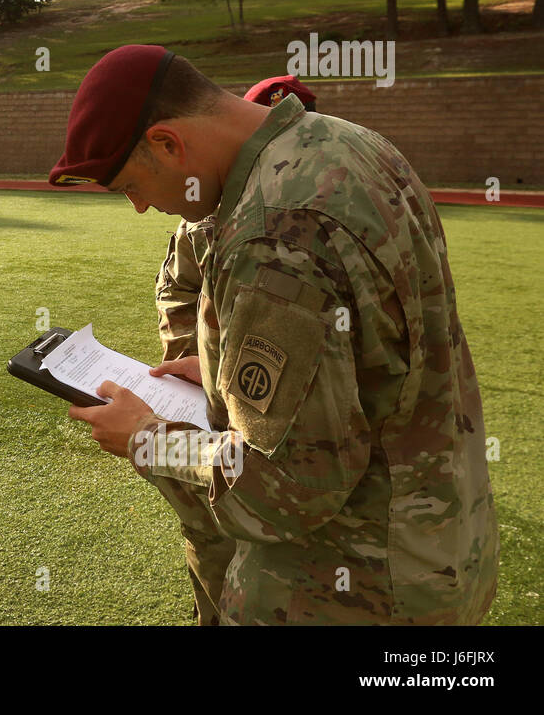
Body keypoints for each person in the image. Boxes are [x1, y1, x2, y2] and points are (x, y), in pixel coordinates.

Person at [50, 44, 499, 624]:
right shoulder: (345, 141)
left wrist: (145, 437)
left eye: (131, 186)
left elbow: (292, 486)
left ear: (167, 143)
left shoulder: (274, 233)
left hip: (352, 586)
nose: (140, 207)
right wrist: (219, 368)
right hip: (439, 544)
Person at [152, 75, 317, 624]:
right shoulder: (207, 210)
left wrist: (143, 439)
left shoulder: (312, 209)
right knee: (211, 539)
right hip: (214, 409)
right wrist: (191, 356)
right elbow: (178, 285)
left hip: (287, 452)